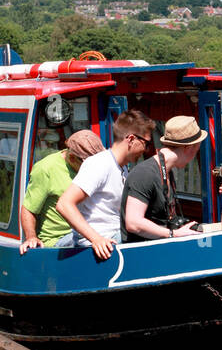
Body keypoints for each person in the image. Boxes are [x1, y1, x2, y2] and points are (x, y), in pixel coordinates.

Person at [54, 110, 156, 260]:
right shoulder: (100, 164)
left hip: (114, 237)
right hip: (103, 243)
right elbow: (64, 204)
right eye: (146, 143)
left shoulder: (122, 168)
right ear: (131, 139)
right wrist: (96, 239)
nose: (146, 150)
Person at [18, 128, 107, 253]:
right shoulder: (46, 169)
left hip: (94, 228)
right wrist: (31, 237)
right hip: (61, 238)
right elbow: (28, 209)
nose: (95, 167)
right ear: (71, 158)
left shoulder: (100, 166)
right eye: (89, 164)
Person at [122, 115, 207, 242]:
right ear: (188, 148)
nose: (194, 156)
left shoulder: (166, 171)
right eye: (196, 150)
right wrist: (173, 233)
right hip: (140, 255)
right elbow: (133, 223)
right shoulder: (145, 174)